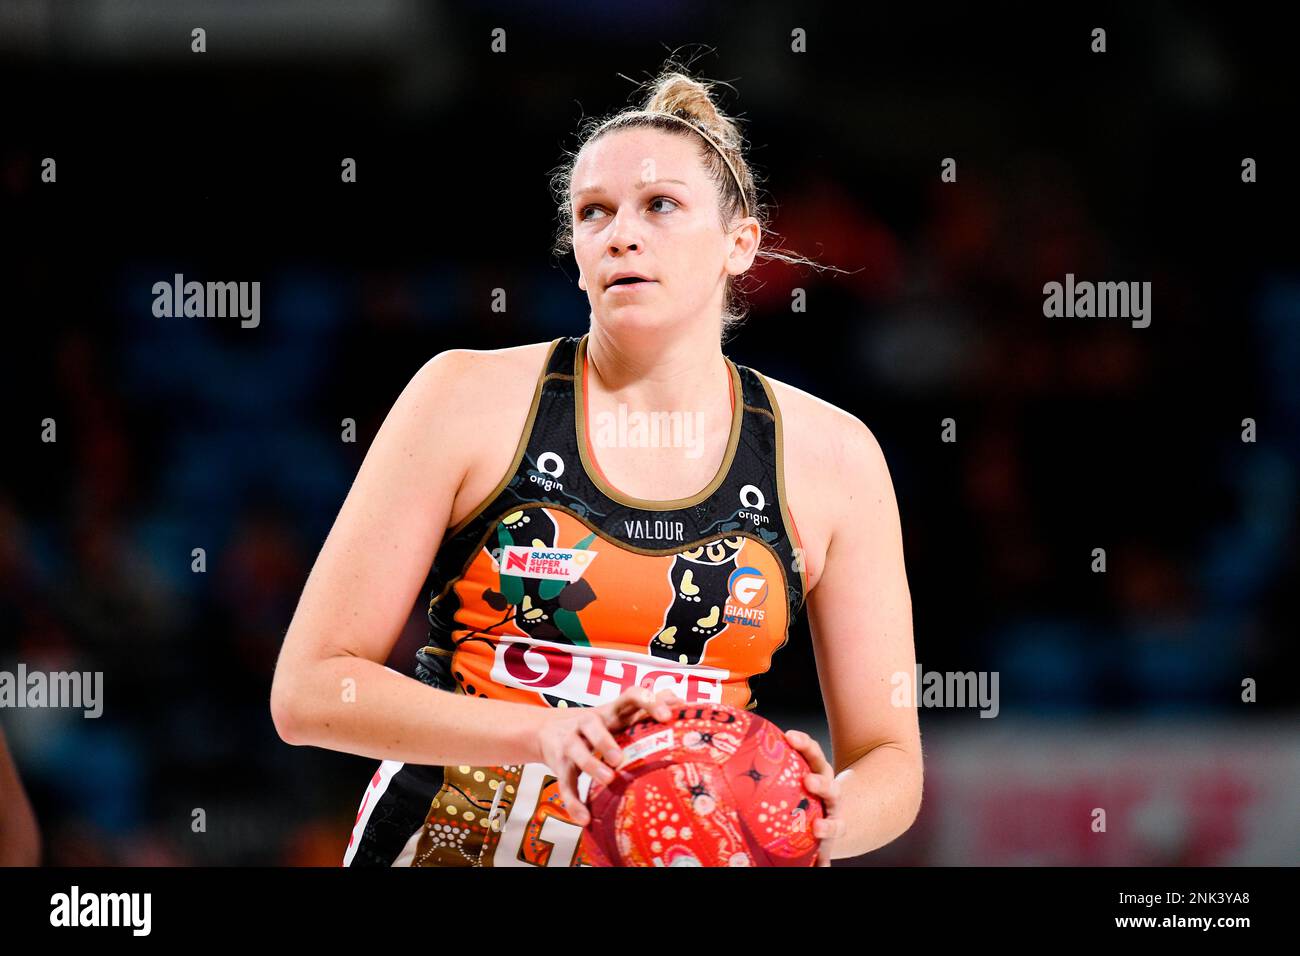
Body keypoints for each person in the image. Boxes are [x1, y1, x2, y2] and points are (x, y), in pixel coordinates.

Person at [270, 63, 922, 867]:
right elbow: (308, 692)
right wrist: (541, 732)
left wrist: (822, 817)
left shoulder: (835, 455)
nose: (621, 232)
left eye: (661, 207)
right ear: (575, 252)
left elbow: (891, 758)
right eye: (593, 213)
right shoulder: (463, 396)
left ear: (740, 243)